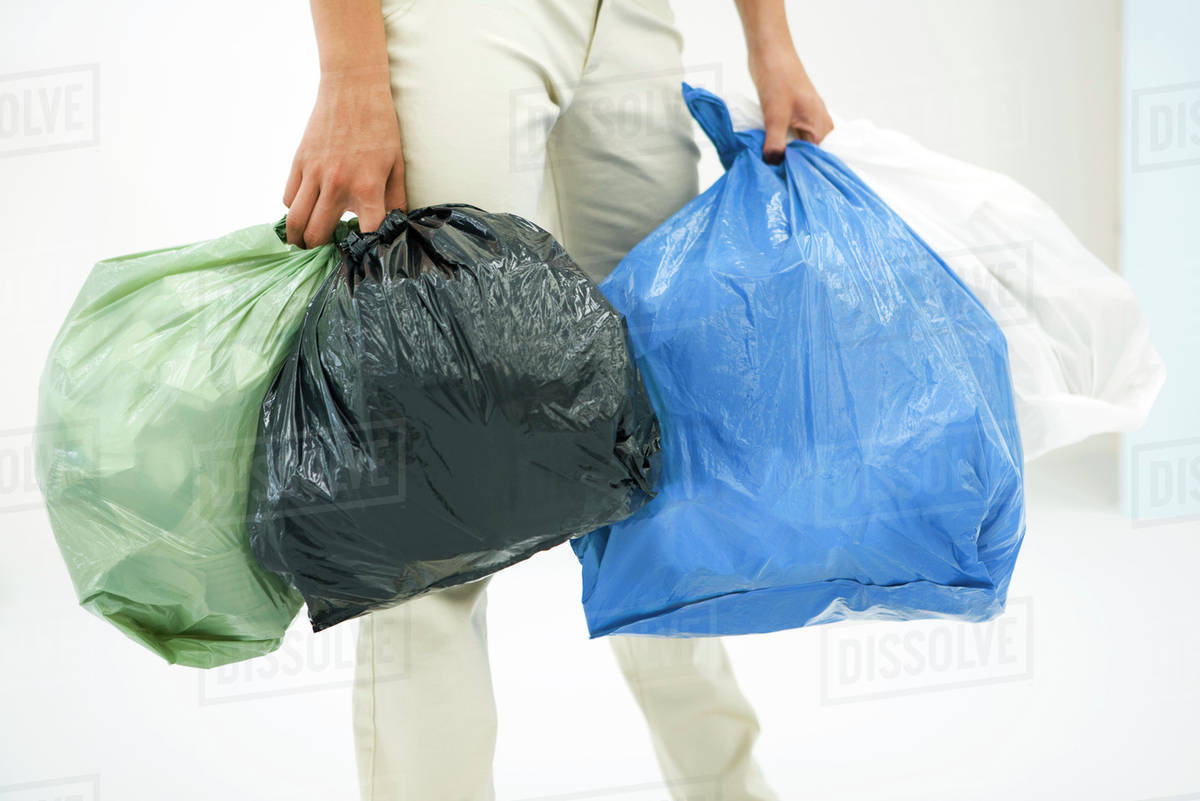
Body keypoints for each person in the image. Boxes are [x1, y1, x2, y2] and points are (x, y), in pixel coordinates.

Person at [282, 1, 833, 799]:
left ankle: (726, 786)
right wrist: (351, 72)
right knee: (439, 488)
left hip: (632, 25)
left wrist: (770, 38)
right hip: (463, 22)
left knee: (661, 460)